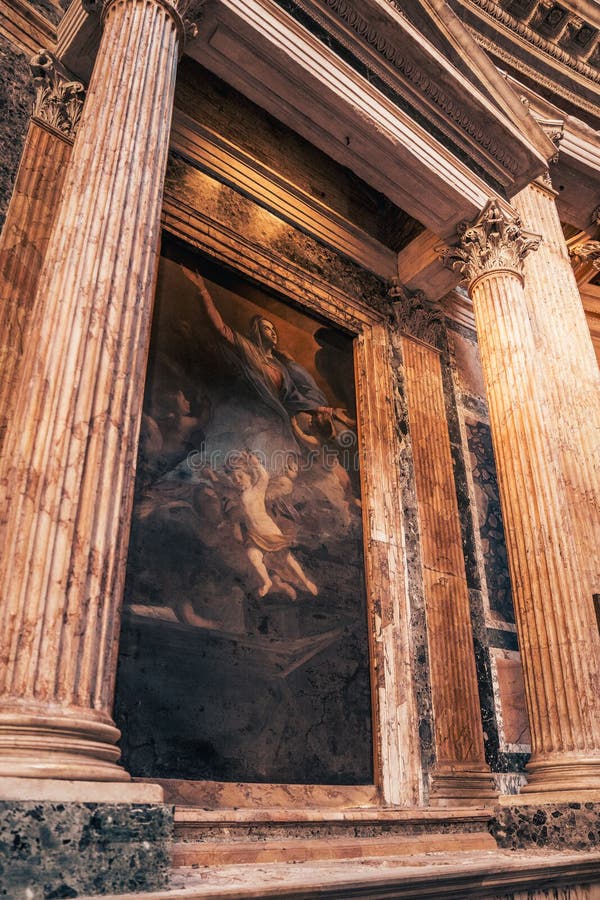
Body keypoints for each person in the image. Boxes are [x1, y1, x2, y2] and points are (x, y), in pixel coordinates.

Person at [181, 267, 351, 448]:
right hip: (253, 414)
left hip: (279, 417)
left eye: (273, 328)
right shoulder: (249, 350)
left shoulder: (279, 365)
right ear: (258, 331)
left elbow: (293, 399)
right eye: (267, 328)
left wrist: (329, 410)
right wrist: (203, 291)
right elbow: (221, 329)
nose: (273, 332)